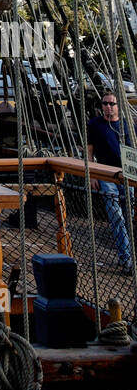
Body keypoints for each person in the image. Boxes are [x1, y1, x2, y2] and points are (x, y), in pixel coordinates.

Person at [87, 90, 134, 273]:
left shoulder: (127, 126)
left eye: (112, 104)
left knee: (128, 216)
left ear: (118, 106)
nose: (108, 107)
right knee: (116, 215)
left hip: (126, 176)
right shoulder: (95, 125)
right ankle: (126, 259)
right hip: (106, 175)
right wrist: (92, 175)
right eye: (105, 104)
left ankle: (127, 255)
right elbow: (89, 152)